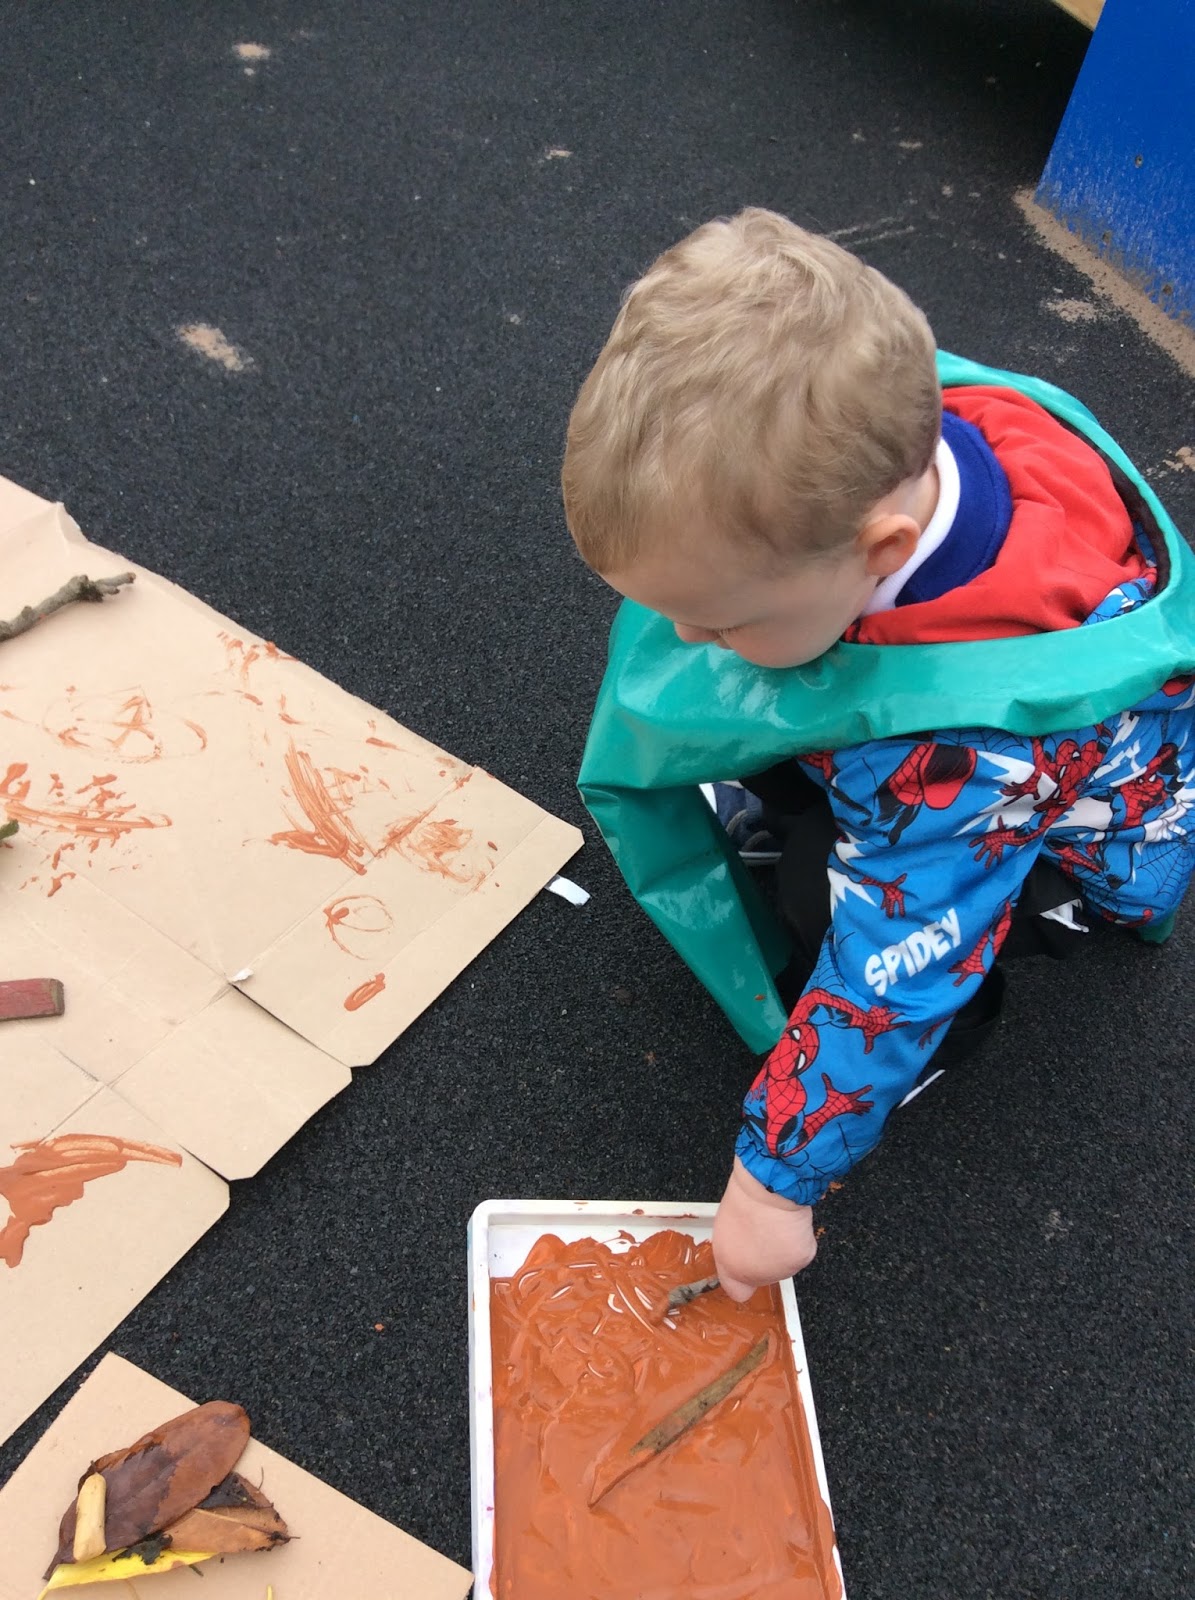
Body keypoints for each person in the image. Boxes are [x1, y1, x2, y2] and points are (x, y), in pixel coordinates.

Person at [563, 208, 1195, 1302]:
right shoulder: (896, 438)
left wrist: (774, 1183)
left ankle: (988, 995)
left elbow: (896, 962)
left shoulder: (969, 754)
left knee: (844, 910)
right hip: (942, 747)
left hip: (1059, 835)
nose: (692, 645)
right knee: (785, 727)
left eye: (716, 622)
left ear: (882, 554)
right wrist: (746, 630)